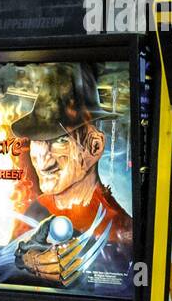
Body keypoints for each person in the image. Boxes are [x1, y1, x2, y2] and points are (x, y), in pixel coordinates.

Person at [10, 63, 132, 289]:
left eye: (60, 139)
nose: (43, 156)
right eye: (37, 138)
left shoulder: (119, 228)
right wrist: (29, 259)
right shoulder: (36, 209)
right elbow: (5, 270)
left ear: (94, 147)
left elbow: (114, 290)